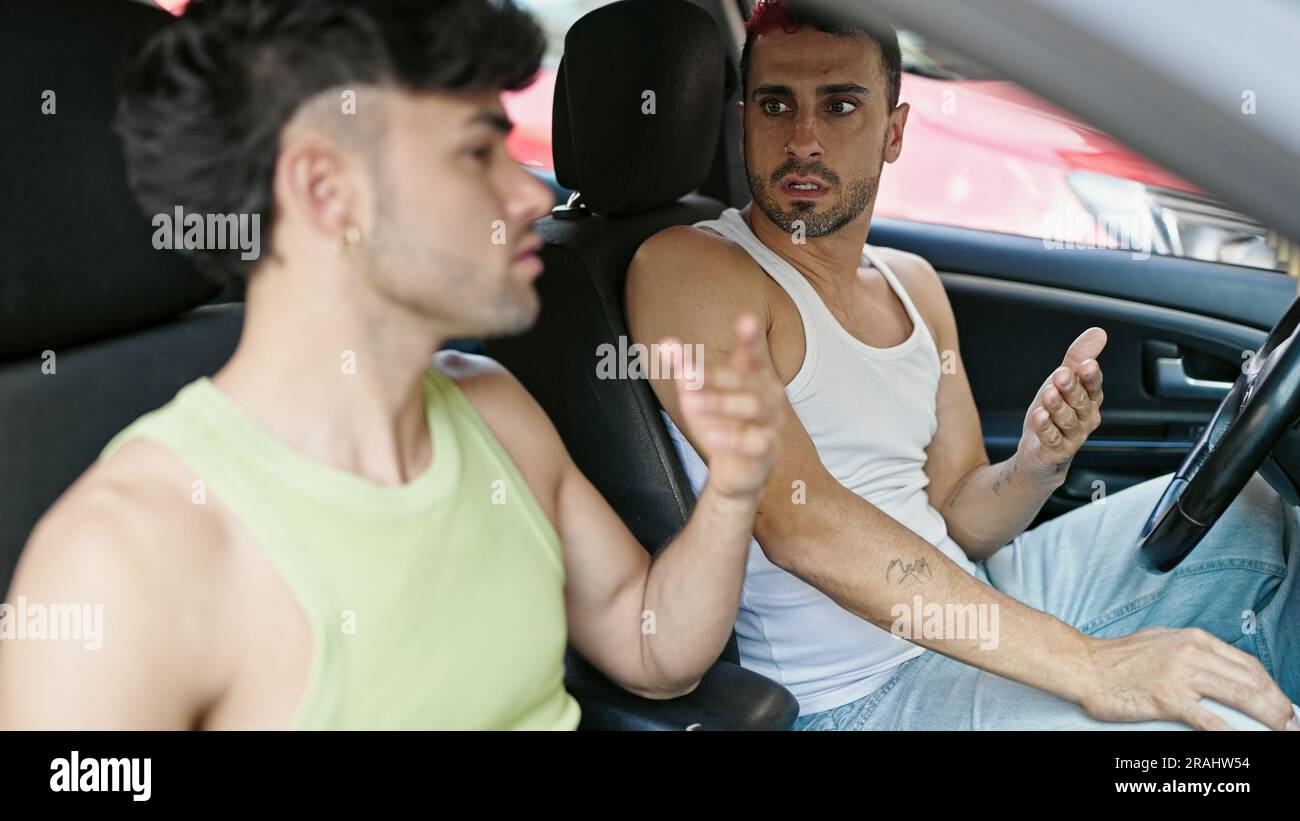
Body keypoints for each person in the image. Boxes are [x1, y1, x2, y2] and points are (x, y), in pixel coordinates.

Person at [0, 0, 785, 730]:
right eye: (479, 150)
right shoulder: (123, 561)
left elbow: (655, 656)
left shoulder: (495, 412)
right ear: (325, 190)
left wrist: (731, 488)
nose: (530, 196)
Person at [626, 0, 1300, 730]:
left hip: (974, 599)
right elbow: (797, 519)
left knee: (1256, 514)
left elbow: (958, 514)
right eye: (775, 103)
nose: (804, 140)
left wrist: (1036, 465)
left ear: (894, 131)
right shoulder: (690, 271)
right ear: (743, 118)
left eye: (841, 105)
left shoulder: (914, 284)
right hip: (860, 694)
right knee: (1183, 744)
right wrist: (1091, 664)